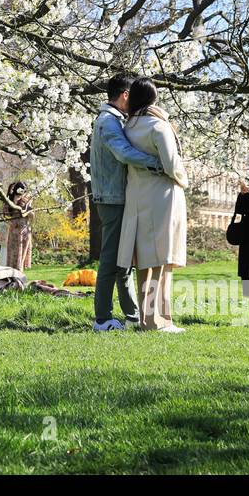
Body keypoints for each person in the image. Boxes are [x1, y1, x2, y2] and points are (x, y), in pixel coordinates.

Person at [89, 73, 165, 332]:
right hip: (113, 199)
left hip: (119, 198)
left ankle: (131, 314)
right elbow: (123, 153)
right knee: (111, 259)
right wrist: (157, 162)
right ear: (125, 95)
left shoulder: (115, 120)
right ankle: (102, 319)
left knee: (123, 260)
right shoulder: (108, 122)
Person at [116, 79, 189, 333]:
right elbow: (171, 164)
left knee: (145, 262)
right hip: (162, 196)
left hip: (138, 196)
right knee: (161, 258)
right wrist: (184, 178)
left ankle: (150, 319)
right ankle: (159, 319)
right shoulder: (158, 126)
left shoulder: (128, 127)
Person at [3, 181, 34, 271]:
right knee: (12, 254)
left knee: (21, 255)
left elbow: (32, 215)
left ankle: (19, 276)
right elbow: (5, 213)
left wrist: (27, 210)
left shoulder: (27, 200)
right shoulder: (10, 199)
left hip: (24, 230)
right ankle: (11, 276)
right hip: (13, 231)